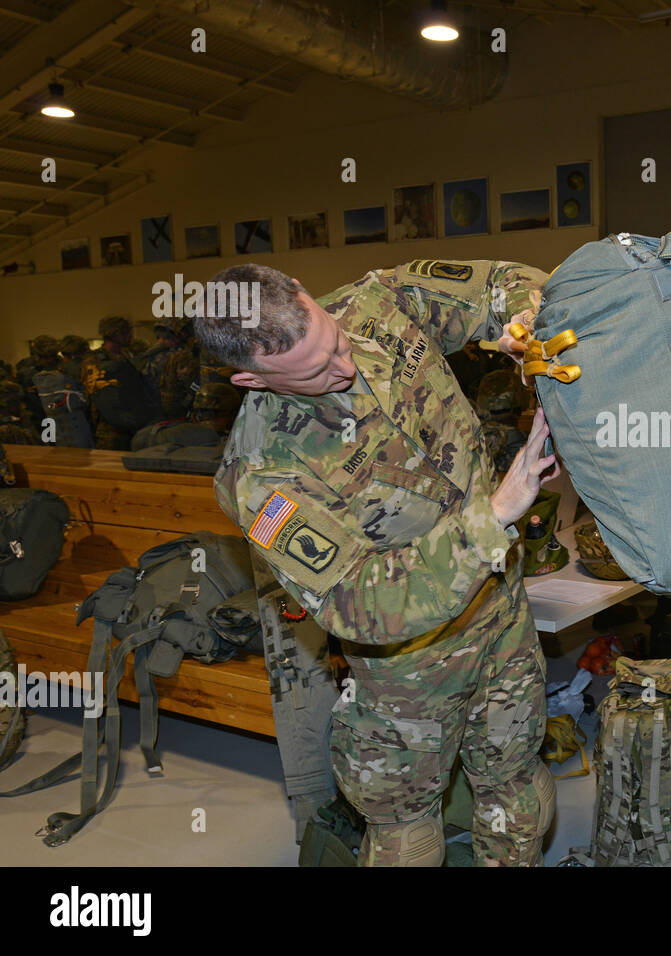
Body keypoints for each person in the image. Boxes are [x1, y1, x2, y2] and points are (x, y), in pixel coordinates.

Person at [196, 258, 557, 866]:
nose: (347, 367)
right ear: (252, 382)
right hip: (409, 677)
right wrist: (492, 517)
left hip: (502, 616)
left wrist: (522, 322)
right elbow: (356, 601)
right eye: (317, 372)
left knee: (518, 790)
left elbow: (502, 283)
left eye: (335, 344)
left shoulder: (378, 302)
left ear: (308, 295)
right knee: (409, 842)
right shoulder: (262, 477)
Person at [81, 316, 164, 449]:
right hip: (109, 428)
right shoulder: (95, 360)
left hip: (133, 423)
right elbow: (101, 395)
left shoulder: (127, 356)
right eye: (125, 332)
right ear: (113, 334)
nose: (130, 336)